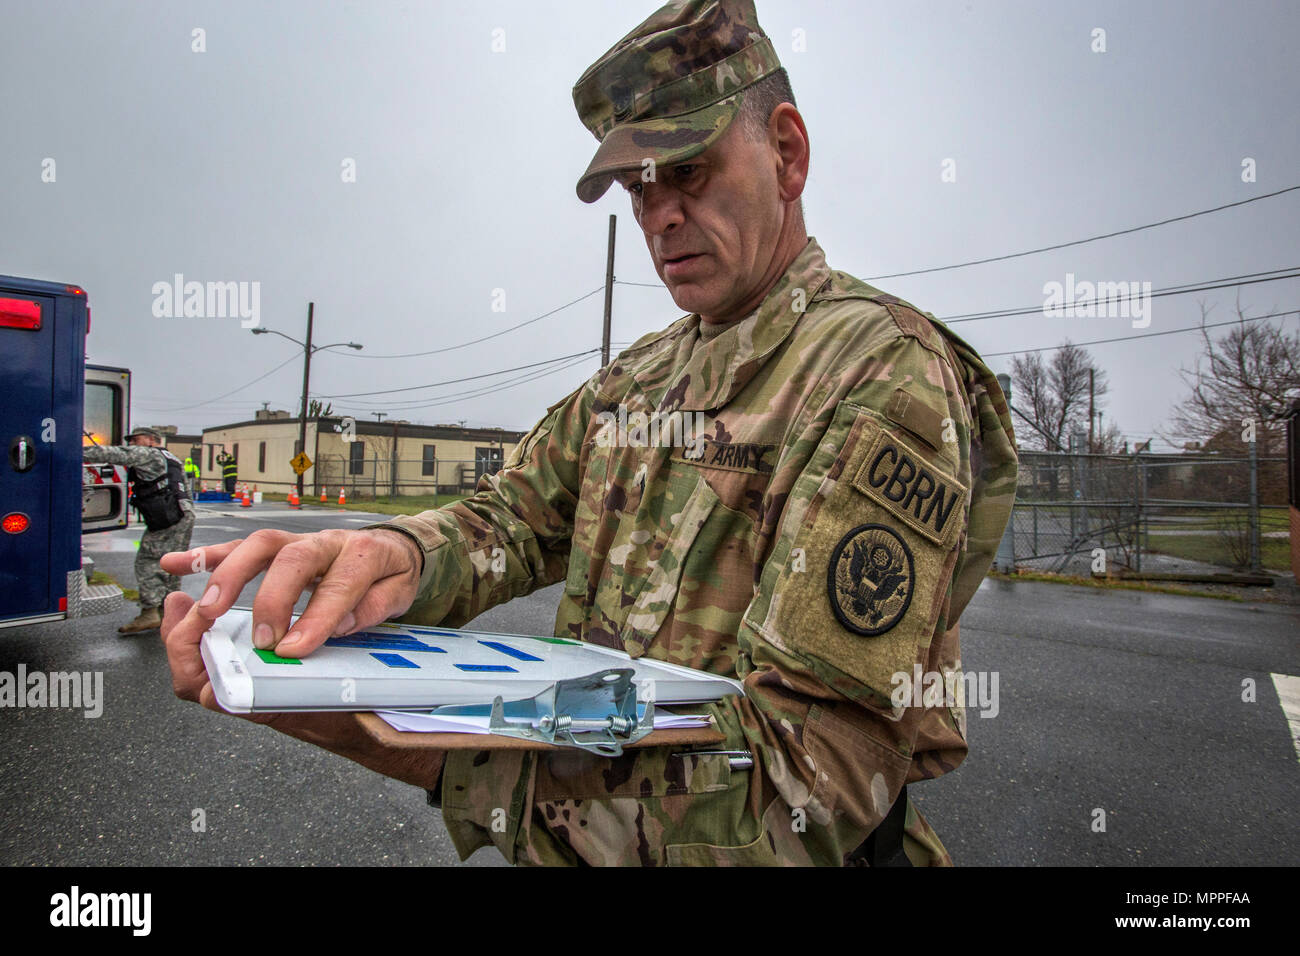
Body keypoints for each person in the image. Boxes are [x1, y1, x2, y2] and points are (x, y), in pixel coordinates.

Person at [159, 0, 1017, 865]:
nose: (657, 215)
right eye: (637, 187)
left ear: (786, 153)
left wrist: (387, 739)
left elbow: (801, 786)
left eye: (686, 171)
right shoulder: (639, 380)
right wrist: (391, 556)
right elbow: (508, 521)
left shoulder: (882, 373)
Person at [85, 426, 196, 634]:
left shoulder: (149, 454)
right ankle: (167, 612)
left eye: (136, 439)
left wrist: (77, 452)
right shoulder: (171, 458)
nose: (133, 444)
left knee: (147, 562)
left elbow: (115, 454)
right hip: (182, 514)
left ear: (151, 440)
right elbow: (184, 490)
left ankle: (149, 613)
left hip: (167, 517)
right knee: (172, 564)